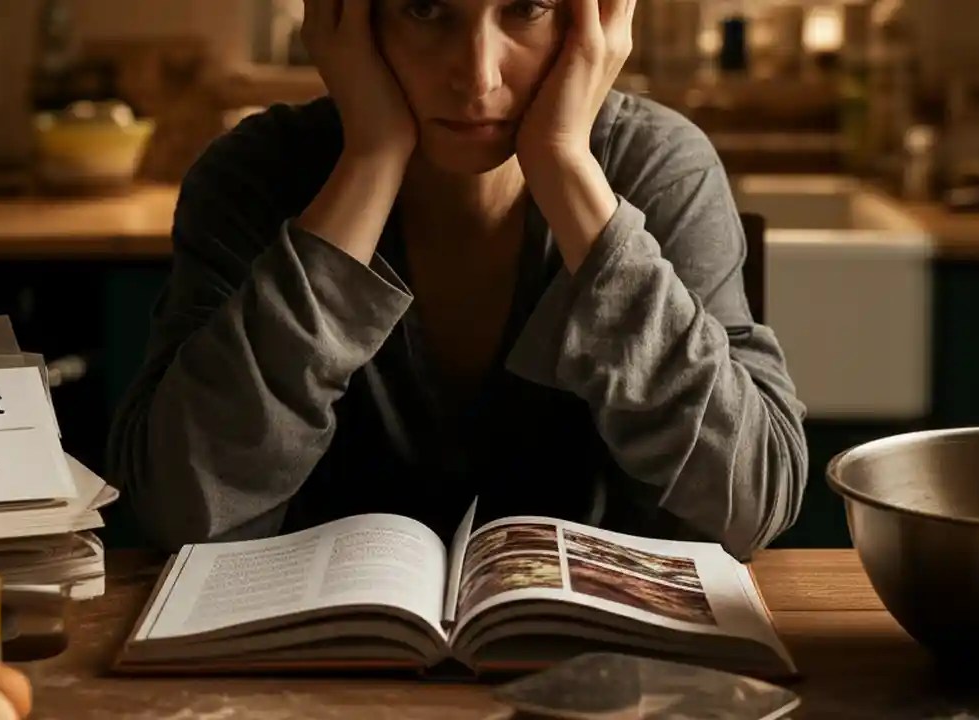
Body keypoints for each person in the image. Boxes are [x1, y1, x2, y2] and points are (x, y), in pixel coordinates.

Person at [106, 0, 808, 561]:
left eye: (526, 8)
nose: (476, 76)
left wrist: (567, 169)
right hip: (318, 676)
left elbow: (748, 503)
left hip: (598, 678)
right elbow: (182, 510)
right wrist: (371, 160)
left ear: (596, 19)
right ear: (345, 16)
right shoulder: (254, 175)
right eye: (424, 9)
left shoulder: (657, 165)